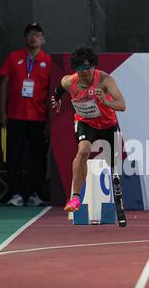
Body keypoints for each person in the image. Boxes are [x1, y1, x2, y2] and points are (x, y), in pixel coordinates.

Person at [52, 47, 127, 222]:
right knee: (83, 151)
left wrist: (105, 101)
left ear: (94, 66)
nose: (85, 72)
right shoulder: (70, 81)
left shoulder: (105, 80)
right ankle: (76, 197)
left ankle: (116, 187)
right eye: (80, 68)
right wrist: (56, 100)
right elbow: (59, 88)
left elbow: (122, 105)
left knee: (114, 164)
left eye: (88, 68)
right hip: (85, 122)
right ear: (75, 69)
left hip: (108, 124)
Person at [0, 21, 52, 207]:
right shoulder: (14, 57)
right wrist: (2, 111)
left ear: (43, 39)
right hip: (15, 116)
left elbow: (54, 91)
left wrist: (50, 120)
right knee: (14, 156)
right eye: (29, 33)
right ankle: (16, 194)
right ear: (25, 38)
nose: (33, 37)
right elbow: (4, 83)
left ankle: (35, 193)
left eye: (37, 34)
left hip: (39, 117)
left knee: (38, 157)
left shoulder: (49, 61)